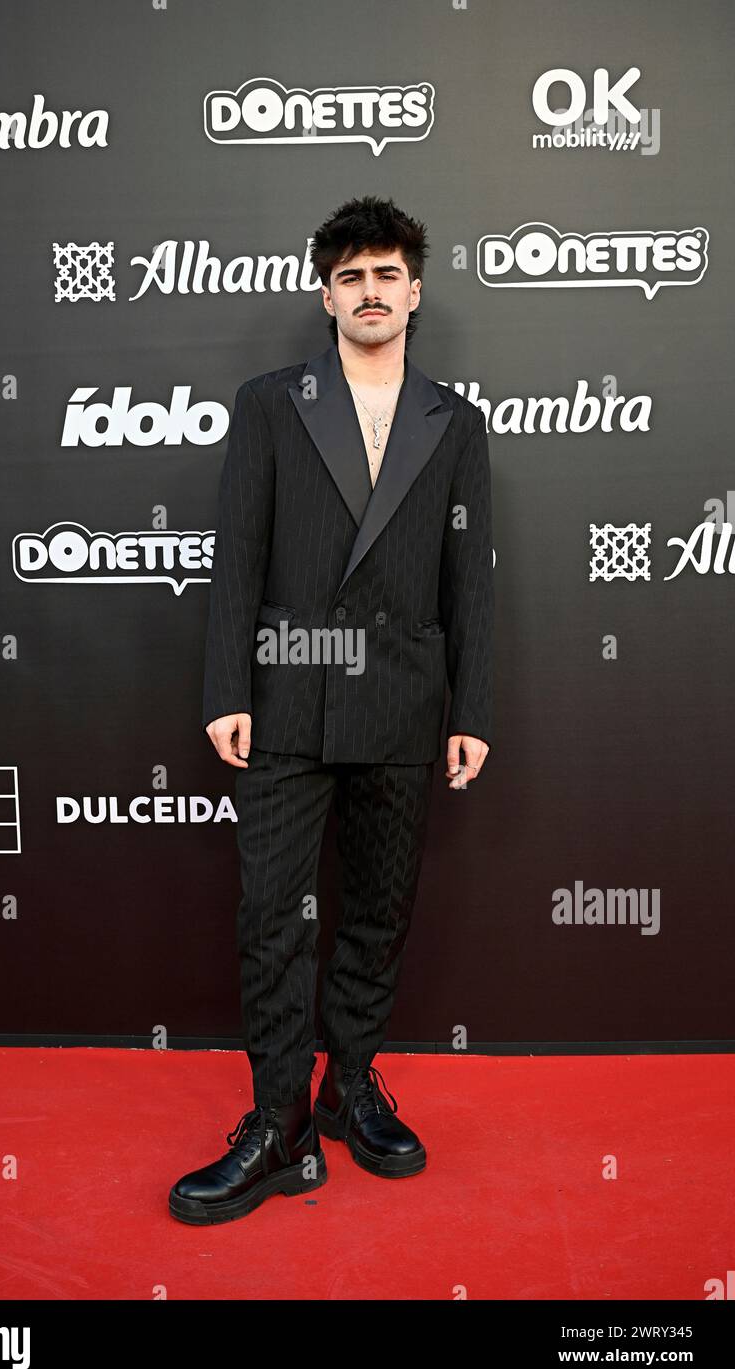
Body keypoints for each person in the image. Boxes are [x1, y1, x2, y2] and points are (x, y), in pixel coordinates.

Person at [169, 195, 494, 1225]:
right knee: (270, 914)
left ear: (416, 291)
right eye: (351, 275)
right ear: (326, 293)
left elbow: (467, 582)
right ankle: (277, 1123)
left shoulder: (456, 422)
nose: (371, 292)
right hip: (288, 694)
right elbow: (237, 560)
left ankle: (352, 1087)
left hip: (402, 702)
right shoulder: (270, 404)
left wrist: (469, 708)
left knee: (378, 910)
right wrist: (228, 688)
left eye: (388, 274)